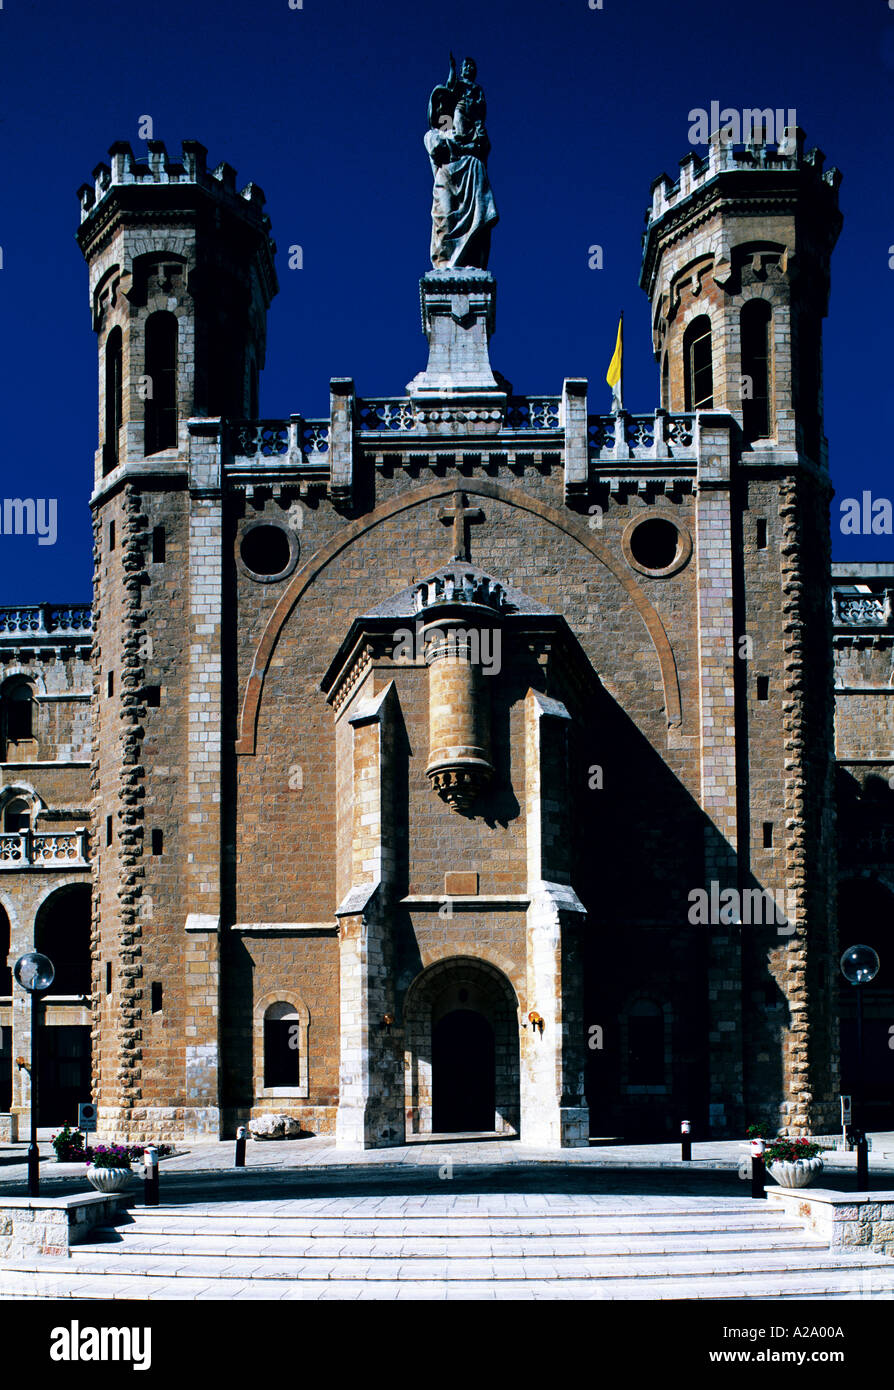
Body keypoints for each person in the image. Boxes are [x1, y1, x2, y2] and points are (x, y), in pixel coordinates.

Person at [425, 57, 498, 270]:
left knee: (478, 217)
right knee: (445, 222)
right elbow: (439, 150)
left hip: (471, 171)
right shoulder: (433, 135)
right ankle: (446, 264)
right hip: (447, 178)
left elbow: (483, 145)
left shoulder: (471, 130)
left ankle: (471, 261)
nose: (443, 107)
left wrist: (468, 144)